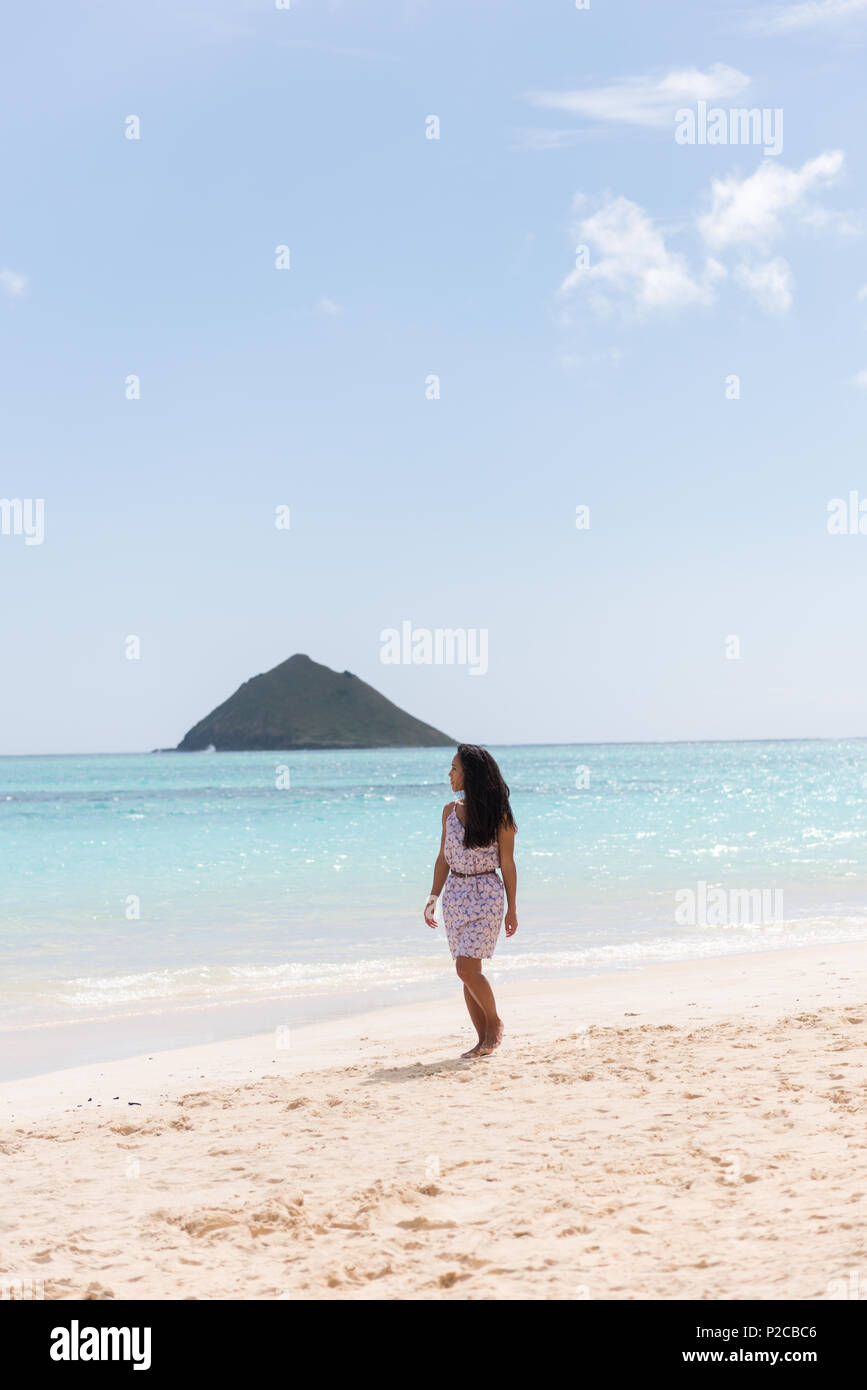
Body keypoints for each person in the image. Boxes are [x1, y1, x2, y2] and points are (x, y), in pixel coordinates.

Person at [424, 744, 517, 1057]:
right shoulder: (449, 812)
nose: (449, 774)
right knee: (466, 970)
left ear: (470, 774)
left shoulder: (498, 815)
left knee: (466, 968)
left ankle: (495, 1023)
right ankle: (482, 1040)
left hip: (487, 893)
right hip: (455, 896)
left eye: (454, 768)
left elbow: (508, 863)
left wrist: (513, 907)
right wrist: (433, 896)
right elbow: (442, 858)